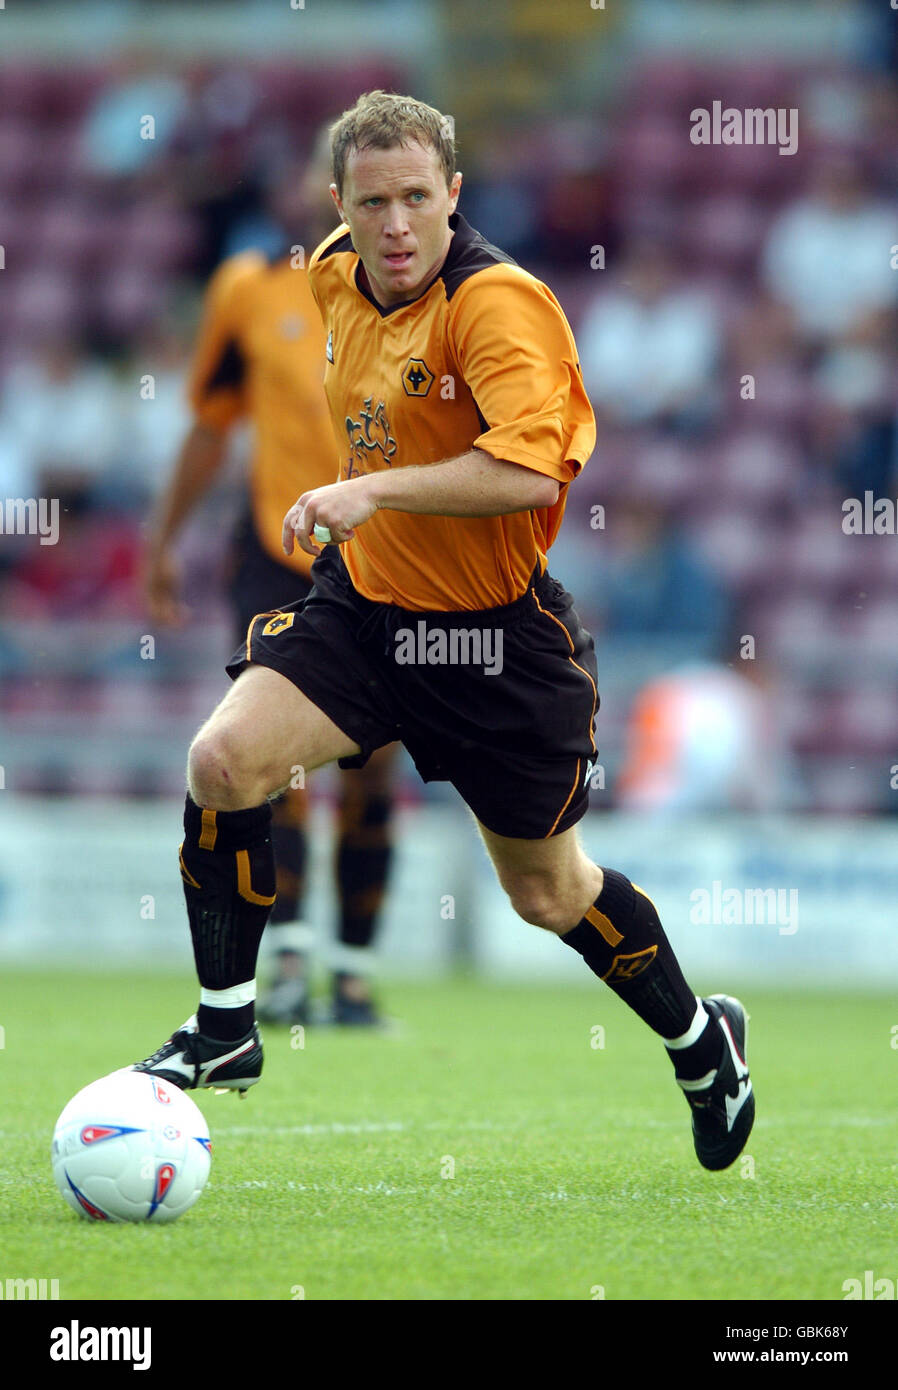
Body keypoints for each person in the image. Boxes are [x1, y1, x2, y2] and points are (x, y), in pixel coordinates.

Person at [133, 92, 754, 1171]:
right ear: (340, 205)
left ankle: (703, 1045)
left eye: (418, 197)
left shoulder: (500, 303)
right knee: (224, 760)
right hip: (364, 612)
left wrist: (375, 491)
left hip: (493, 645)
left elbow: (523, 472)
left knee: (546, 891)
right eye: (372, 202)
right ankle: (228, 1024)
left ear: (453, 194)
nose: (396, 225)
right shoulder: (326, 272)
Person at [143, 131, 397, 1026]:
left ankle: (355, 973)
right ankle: (286, 965)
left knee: (371, 763)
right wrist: (163, 539)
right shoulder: (246, 291)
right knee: (266, 756)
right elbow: (212, 426)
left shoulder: (410, 295)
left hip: (383, 556)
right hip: (271, 551)